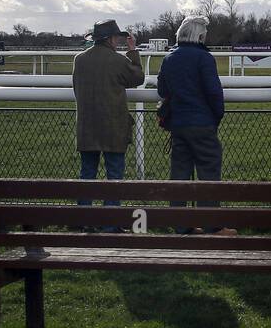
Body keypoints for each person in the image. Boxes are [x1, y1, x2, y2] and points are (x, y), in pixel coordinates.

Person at [157, 15, 232, 235]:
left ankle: (182, 225)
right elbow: (213, 92)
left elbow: (163, 90)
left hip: (178, 125)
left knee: (179, 175)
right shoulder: (204, 58)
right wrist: (216, 117)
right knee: (209, 174)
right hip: (202, 124)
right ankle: (212, 225)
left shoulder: (169, 59)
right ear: (200, 36)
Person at [72, 19, 145, 219]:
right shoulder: (118, 60)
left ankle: (83, 220)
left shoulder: (80, 59)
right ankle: (110, 222)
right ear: (111, 39)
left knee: (87, 175)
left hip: (87, 126)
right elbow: (138, 78)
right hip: (113, 127)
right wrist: (133, 51)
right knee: (114, 176)